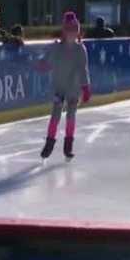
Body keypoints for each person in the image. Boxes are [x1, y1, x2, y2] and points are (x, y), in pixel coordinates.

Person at [36, 12, 92, 160]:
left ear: (78, 31)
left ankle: (68, 146)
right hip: (59, 87)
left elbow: (83, 69)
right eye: (69, 29)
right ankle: (49, 143)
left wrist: (85, 87)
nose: (72, 32)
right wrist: (43, 63)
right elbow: (45, 58)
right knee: (56, 114)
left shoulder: (80, 49)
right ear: (64, 31)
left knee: (71, 115)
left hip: (74, 88)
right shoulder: (56, 47)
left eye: (74, 29)